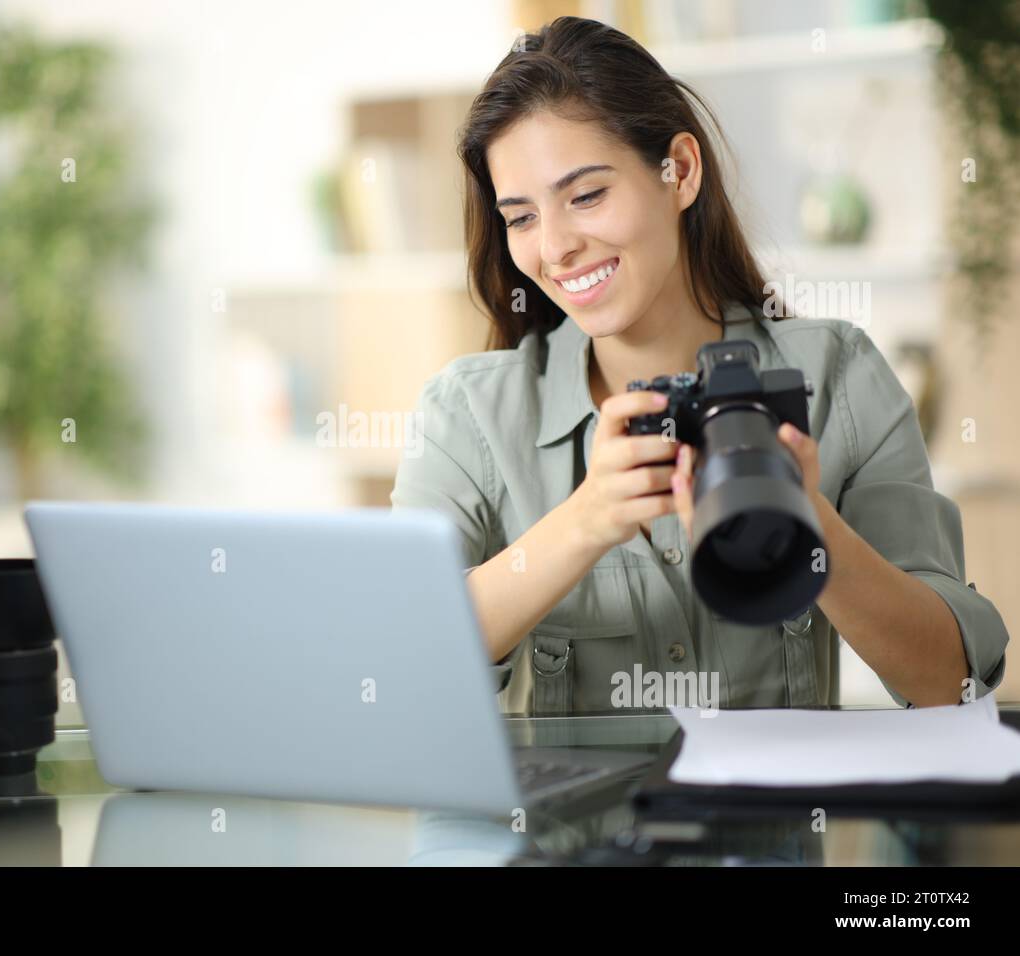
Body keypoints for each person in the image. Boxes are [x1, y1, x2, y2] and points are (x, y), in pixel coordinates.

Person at [389, 17, 1008, 713]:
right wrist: (584, 523)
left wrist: (809, 526)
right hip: (569, 827)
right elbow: (401, 669)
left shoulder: (838, 375)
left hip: (772, 821)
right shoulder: (467, 414)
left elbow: (949, 684)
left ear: (678, 171)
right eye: (522, 217)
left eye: (587, 195)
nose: (556, 246)